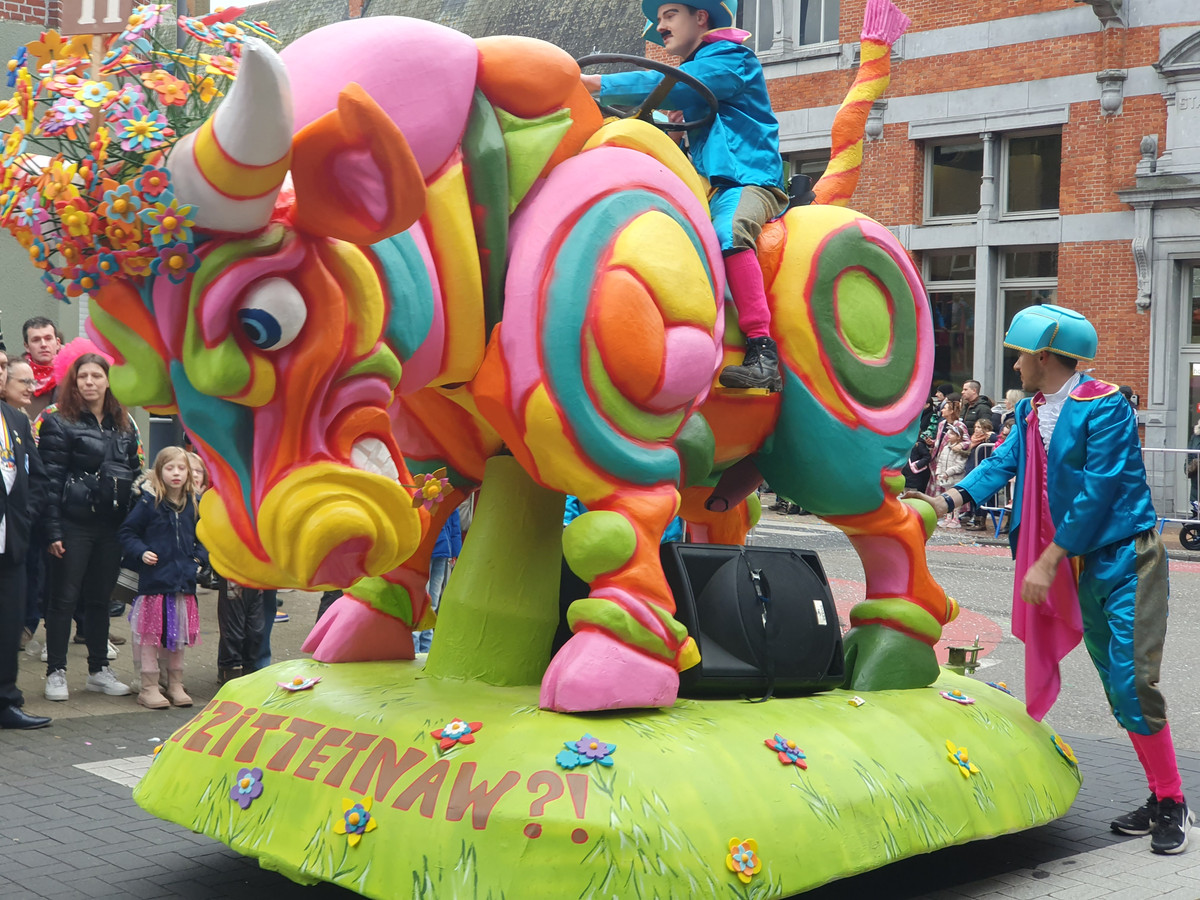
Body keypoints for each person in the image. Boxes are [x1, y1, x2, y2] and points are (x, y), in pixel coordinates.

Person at [903, 304, 1191, 854]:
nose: (1013, 366)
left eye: (1018, 355)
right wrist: (942, 502)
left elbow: (1101, 489)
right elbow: (1001, 464)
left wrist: (1048, 558)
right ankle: (1160, 796)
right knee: (1116, 686)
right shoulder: (1033, 412)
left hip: (1126, 560)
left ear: (1041, 356)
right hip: (1081, 567)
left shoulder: (1104, 405)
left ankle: (1173, 801)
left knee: (1133, 682)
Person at [582, 0, 787, 391]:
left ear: (701, 17)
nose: (660, 26)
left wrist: (596, 84)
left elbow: (675, 86)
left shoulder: (730, 58)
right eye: (658, 19)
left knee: (729, 231)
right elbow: (664, 117)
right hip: (705, 186)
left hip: (746, 182)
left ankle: (763, 351)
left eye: (669, 14)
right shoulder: (692, 82)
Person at [39, 352, 141, 702]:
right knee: (63, 599)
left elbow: (134, 472)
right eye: (83, 376)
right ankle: (56, 671)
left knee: (101, 599)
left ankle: (99, 670)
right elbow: (50, 482)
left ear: (108, 380)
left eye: (97, 376)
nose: (90, 382)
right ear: (74, 381)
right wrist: (52, 531)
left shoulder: (124, 424)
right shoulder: (59, 422)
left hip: (110, 526)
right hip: (72, 523)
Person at [118, 447, 205, 709]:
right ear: (159, 472)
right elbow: (127, 533)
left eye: (181, 468)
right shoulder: (149, 502)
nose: (176, 473)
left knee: (177, 637)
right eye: (169, 468)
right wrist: (141, 552)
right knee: (150, 637)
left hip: (183, 584)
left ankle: (175, 683)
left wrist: (199, 560)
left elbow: (203, 536)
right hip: (155, 584)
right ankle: (149, 686)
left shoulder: (193, 503)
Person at [0, 356, 51, 729]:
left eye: (3, 366)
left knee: (8, 624)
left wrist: (22, 519)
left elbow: (36, 479)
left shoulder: (15, 419)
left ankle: (6, 702)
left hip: (10, 545)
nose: (1, 372)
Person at [414, 508, 462, 654]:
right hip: (424, 551)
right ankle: (416, 647)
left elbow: (455, 524)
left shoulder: (447, 492)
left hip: (442, 552)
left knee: (432, 603)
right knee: (422, 602)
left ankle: (426, 650)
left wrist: (455, 551)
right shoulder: (422, 491)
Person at [930, 393, 968, 527]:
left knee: (952, 490)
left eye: (945, 408)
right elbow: (940, 440)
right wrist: (932, 442)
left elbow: (966, 441)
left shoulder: (959, 425)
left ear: (952, 411)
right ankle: (945, 516)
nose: (942, 410)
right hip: (940, 458)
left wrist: (959, 446)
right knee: (941, 488)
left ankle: (955, 518)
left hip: (953, 460)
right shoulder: (941, 424)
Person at [22, 317, 61, 420]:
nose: (43, 345)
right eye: (36, 340)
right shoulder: (14, 376)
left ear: (57, 343)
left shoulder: (73, 374)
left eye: (48, 338)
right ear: (27, 346)